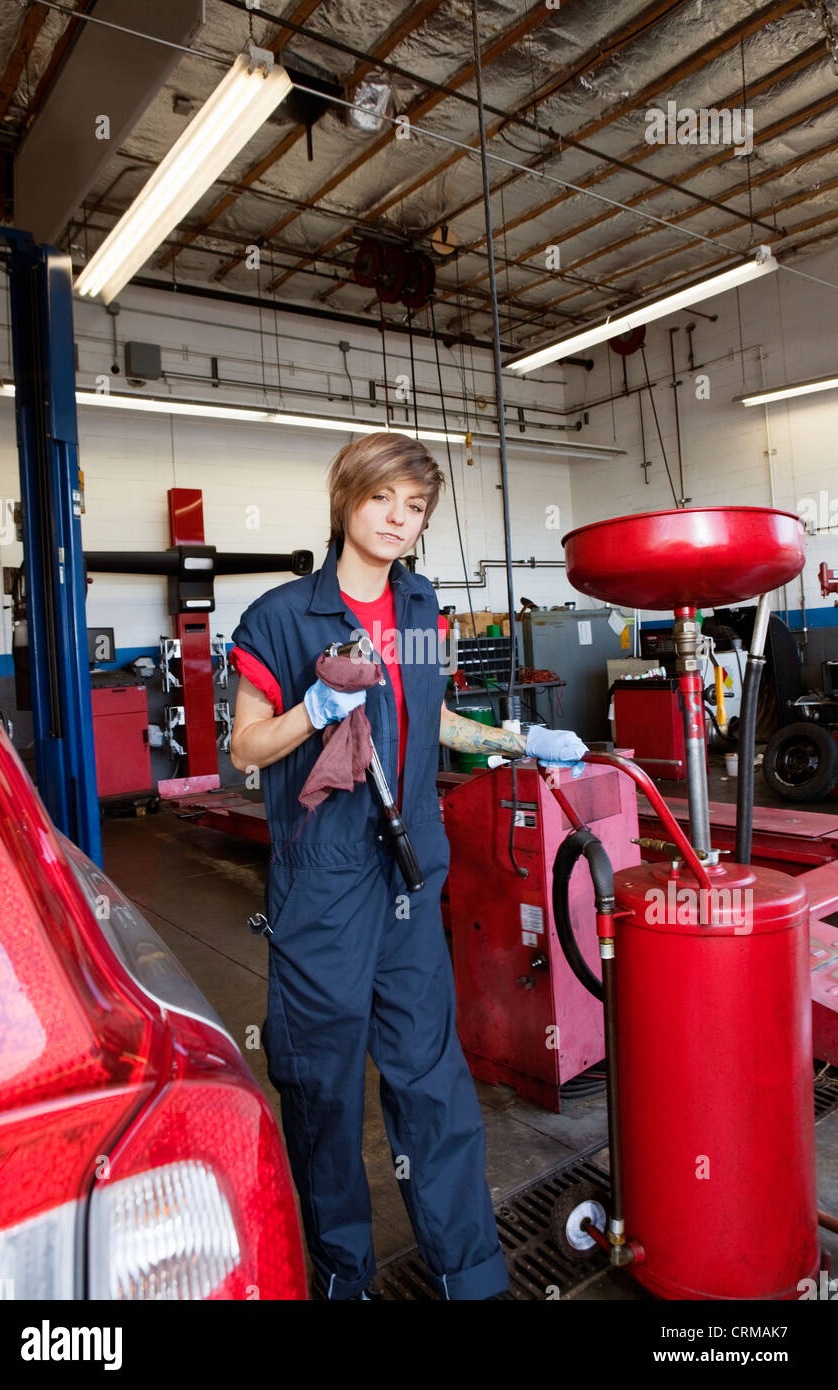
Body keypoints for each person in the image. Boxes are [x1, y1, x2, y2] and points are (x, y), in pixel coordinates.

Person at [230, 432, 587, 1301]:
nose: (399, 519)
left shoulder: (422, 608)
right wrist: (314, 708)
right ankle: (343, 1275)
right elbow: (245, 749)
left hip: (407, 873)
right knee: (321, 1089)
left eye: (416, 507)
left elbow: (428, 720)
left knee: (432, 1077)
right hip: (322, 884)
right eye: (384, 498)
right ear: (347, 498)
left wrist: (513, 740)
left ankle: (470, 1275)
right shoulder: (280, 617)